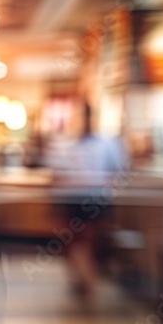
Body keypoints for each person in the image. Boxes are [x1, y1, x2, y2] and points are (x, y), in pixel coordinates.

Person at [50, 102, 128, 305]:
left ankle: (87, 283)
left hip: (95, 199)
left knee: (87, 241)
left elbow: (120, 170)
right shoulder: (64, 144)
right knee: (72, 242)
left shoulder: (107, 143)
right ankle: (82, 281)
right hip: (70, 200)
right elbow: (56, 173)